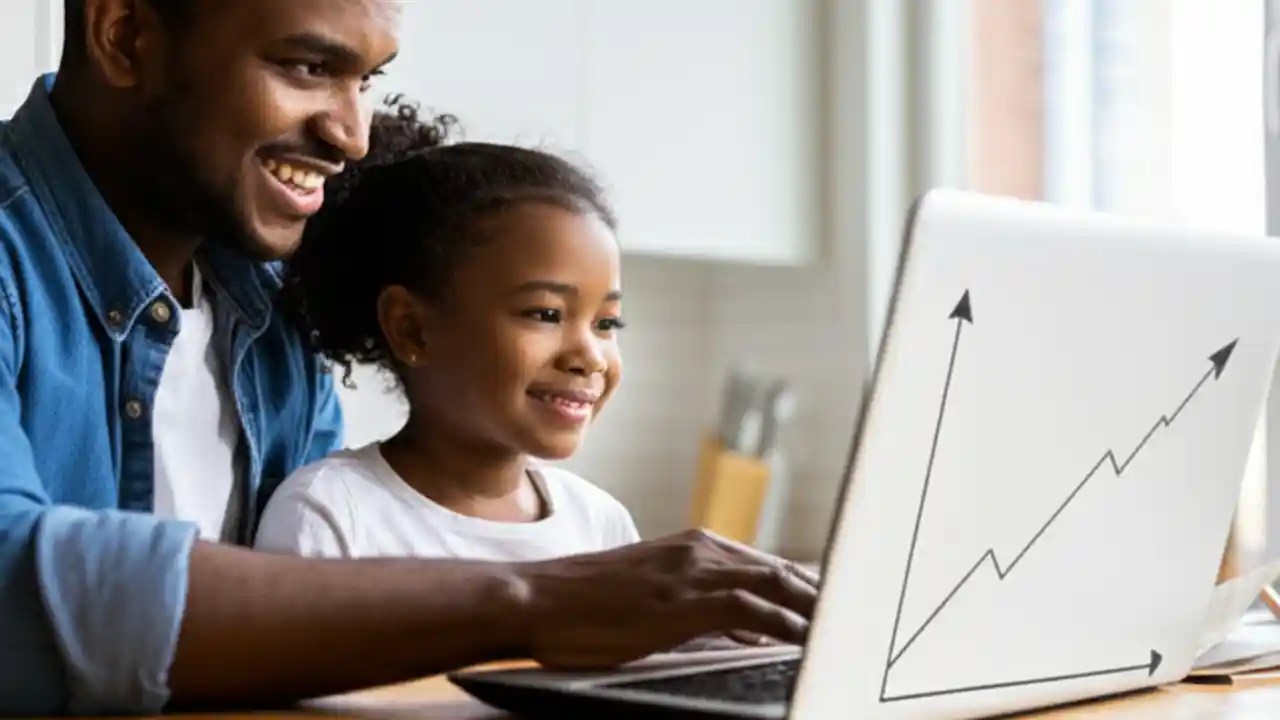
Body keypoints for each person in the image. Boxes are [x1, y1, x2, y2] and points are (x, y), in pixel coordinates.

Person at [0, 0, 817, 715]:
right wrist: (532, 598)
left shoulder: (269, 305)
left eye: (369, 81)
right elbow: (15, 584)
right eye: (308, 65)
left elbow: (316, 636)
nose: (351, 135)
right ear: (125, 33)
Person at [255, 110, 640, 561]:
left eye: (606, 323)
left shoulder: (601, 526)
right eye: (546, 313)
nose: (590, 357)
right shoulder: (332, 514)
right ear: (412, 330)